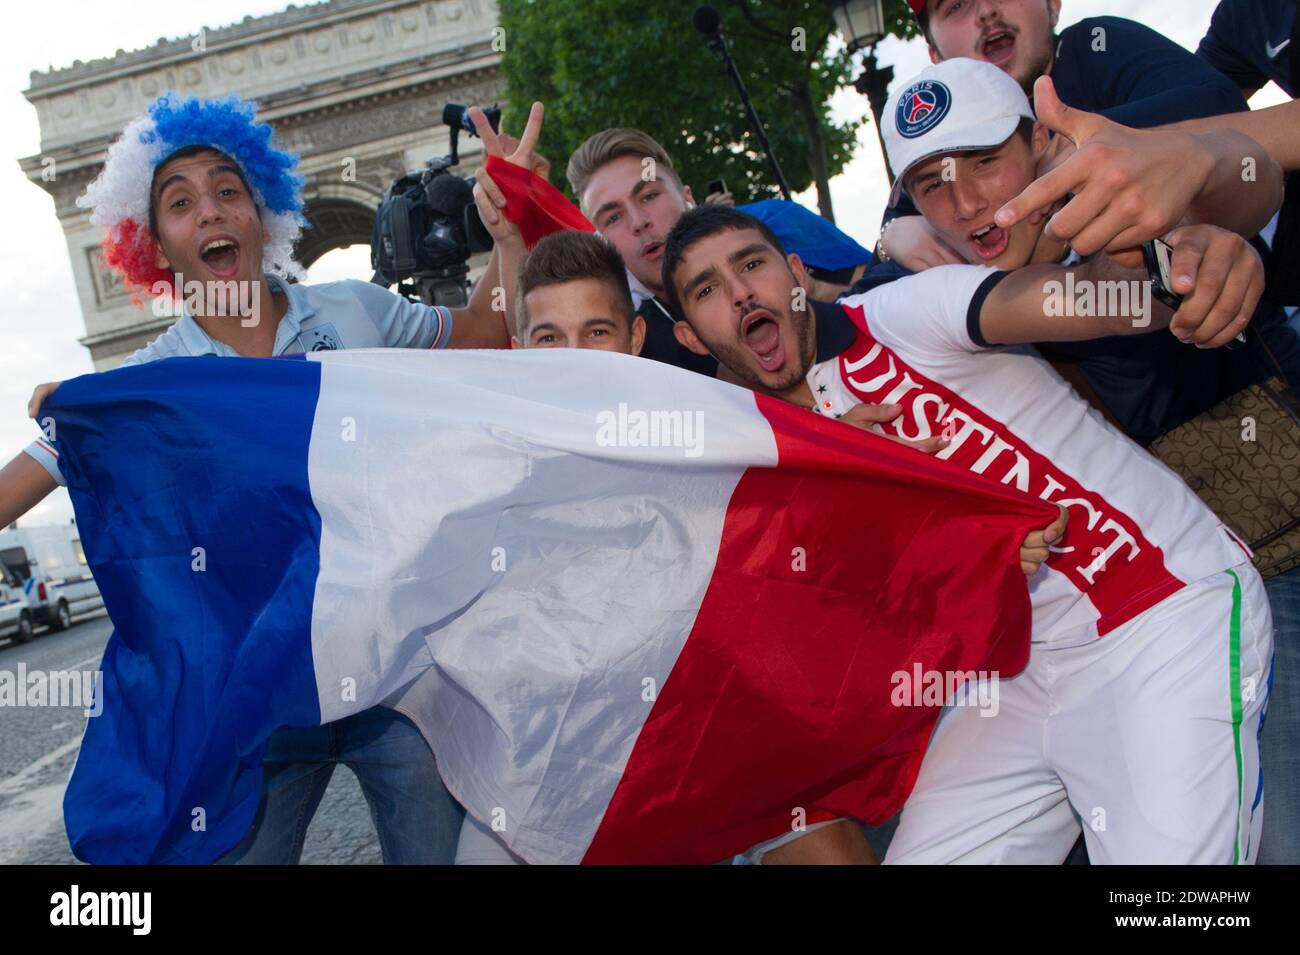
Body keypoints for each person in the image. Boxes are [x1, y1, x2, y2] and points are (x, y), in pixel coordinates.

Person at [0, 92, 538, 864]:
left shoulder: (356, 312)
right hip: (254, 694)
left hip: (398, 675)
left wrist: (509, 231)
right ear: (153, 242)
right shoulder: (151, 384)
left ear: (264, 211)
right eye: (180, 203)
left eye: (228, 191)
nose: (211, 213)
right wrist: (84, 421)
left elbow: (490, 335)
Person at [662, 200, 1271, 862]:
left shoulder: (907, 312)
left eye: (752, 264)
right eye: (707, 289)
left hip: (1157, 610)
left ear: (796, 274)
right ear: (693, 337)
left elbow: (1071, 299)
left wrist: (1170, 275)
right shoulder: (773, 467)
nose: (741, 291)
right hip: (1008, 675)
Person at [881, 0, 1252, 270]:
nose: (986, 11)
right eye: (957, 5)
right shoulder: (935, 142)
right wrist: (892, 236)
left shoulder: (1095, 44)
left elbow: (1219, 99)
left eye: (987, 160)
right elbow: (887, 247)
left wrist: (1081, 149)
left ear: (1053, 5)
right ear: (936, 56)